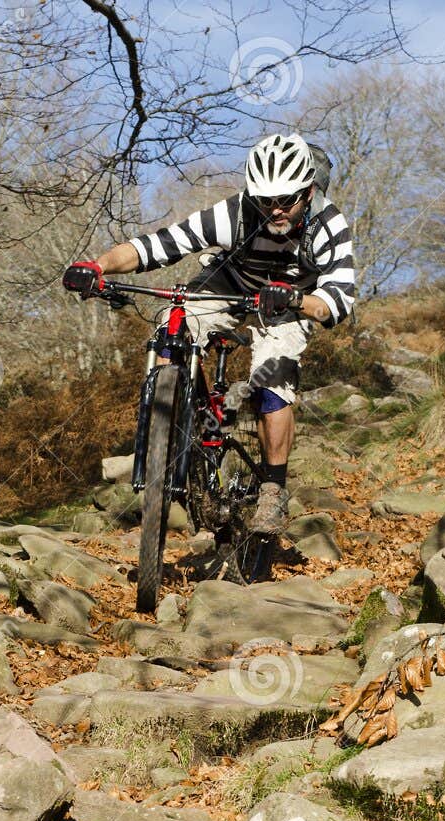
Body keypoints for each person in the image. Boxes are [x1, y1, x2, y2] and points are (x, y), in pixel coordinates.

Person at [63, 132, 355, 533]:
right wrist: (97, 266)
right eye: (265, 200)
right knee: (174, 321)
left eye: (286, 200)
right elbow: (157, 245)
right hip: (230, 282)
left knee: (273, 377)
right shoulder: (234, 213)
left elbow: (337, 299)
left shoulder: (328, 224)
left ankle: (272, 491)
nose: (275, 210)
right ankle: (177, 420)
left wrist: (295, 300)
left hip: (292, 300)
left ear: (307, 191)